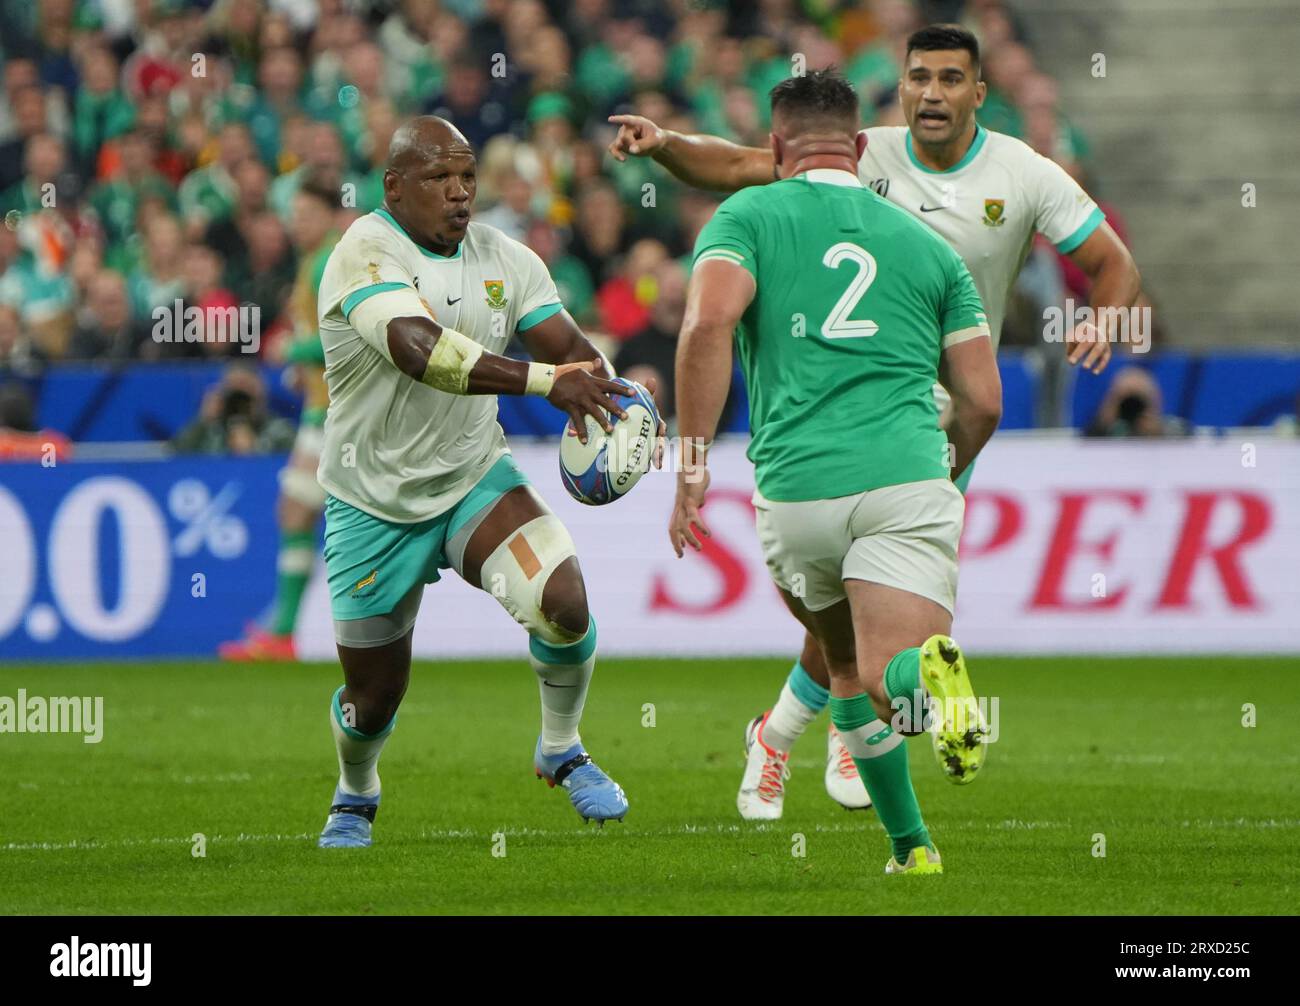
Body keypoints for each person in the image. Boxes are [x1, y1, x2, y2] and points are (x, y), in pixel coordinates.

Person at [610, 23, 1141, 817]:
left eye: (950, 79)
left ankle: (785, 736)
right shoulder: (863, 153)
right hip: (845, 409)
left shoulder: (1022, 173)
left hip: (944, 412)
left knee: (857, 607)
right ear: (900, 89)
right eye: (918, 77)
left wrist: (1102, 319)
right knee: (859, 607)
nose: (931, 92)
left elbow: (1115, 264)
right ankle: (813, 737)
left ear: (978, 94)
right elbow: (737, 166)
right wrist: (664, 146)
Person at [669, 69, 1003, 874]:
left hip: (797, 488)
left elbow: (709, 322)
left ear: (776, 149)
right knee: (891, 674)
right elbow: (984, 398)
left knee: (844, 668)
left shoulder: (744, 213)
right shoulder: (928, 246)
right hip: (906, 476)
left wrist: (690, 464)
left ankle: (912, 847)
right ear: (858, 149)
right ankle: (918, 673)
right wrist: (942, 471)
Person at [313, 115, 656, 847]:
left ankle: (562, 747)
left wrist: (617, 405)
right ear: (395, 187)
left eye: (467, 176)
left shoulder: (506, 257)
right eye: (440, 178)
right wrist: (547, 382)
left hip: (473, 479)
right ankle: (356, 788)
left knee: (564, 602)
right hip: (371, 502)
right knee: (373, 699)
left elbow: (572, 352)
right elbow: (417, 348)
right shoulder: (364, 251)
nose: (460, 192)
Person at [220, 173, 344, 662]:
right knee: (302, 512)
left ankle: (286, 631)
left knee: (300, 512)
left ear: (331, 216)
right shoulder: (314, 261)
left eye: (308, 215)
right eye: (295, 216)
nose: (299, 224)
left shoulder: (330, 262)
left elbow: (349, 332)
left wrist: (292, 348)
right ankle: (286, 629)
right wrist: (302, 367)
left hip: (336, 410)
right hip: (324, 405)